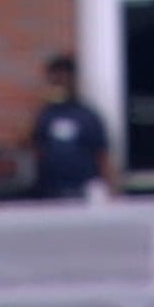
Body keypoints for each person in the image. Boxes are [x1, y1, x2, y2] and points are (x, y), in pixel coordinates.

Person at [30, 54, 115, 200]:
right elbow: (35, 147)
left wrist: (108, 186)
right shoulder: (45, 115)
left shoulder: (87, 115)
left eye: (64, 79)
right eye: (56, 80)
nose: (60, 84)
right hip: (52, 190)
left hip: (83, 189)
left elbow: (101, 153)